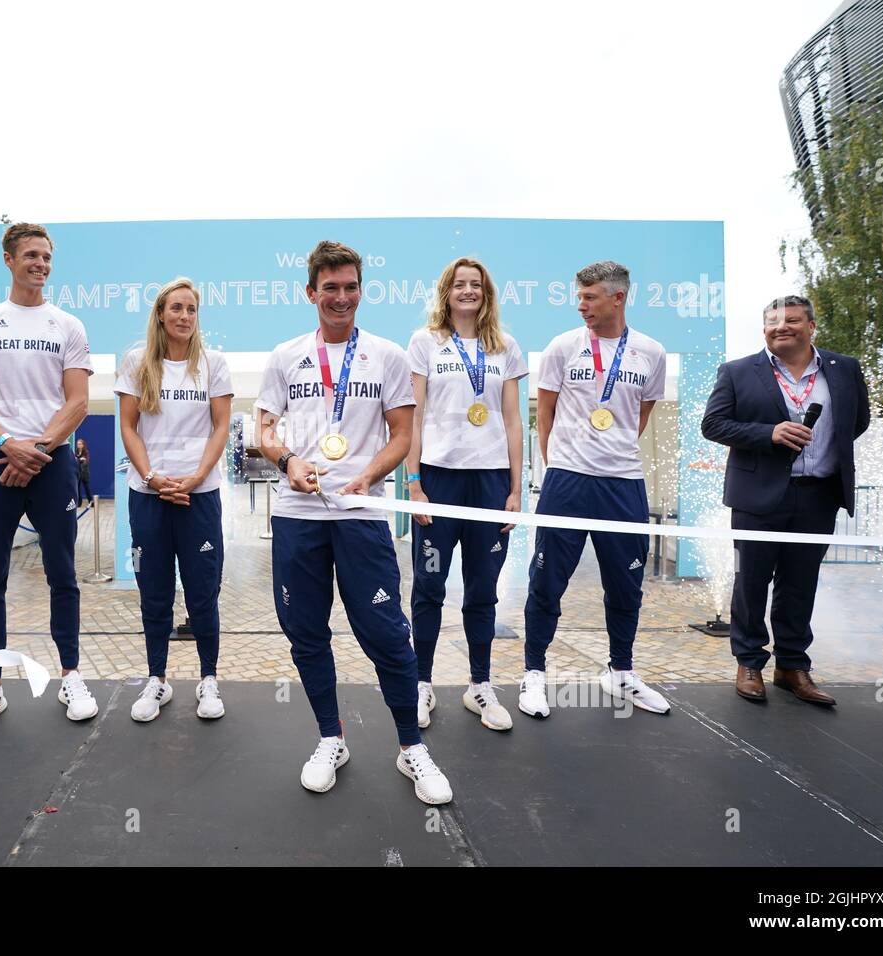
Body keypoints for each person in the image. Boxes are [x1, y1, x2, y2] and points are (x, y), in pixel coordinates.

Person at [256, 240, 453, 805]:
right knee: (307, 633)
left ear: (361, 290)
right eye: (330, 288)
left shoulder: (388, 355)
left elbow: (402, 436)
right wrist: (288, 461)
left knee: (388, 635)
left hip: (361, 515)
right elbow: (266, 429)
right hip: (298, 515)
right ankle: (329, 738)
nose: (341, 298)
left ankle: (411, 746)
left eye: (350, 288)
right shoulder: (286, 355)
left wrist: (367, 477)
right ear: (311, 292)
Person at [0, 223, 94, 735]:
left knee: (63, 574)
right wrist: (5, 442)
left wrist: (34, 449)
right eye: (31, 255)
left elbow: (76, 401)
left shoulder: (67, 325)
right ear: (9, 260)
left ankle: (71, 675)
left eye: (47, 256)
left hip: (49, 462)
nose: (41, 263)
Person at [702, 295, 869, 706]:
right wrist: (768, 434)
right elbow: (714, 424)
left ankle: (792, 667)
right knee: (752, 583)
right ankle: (749, 663)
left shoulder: (844, 369)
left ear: (811, 326)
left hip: (818, 495)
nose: (781, 327)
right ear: (764, 330)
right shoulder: (739, 371)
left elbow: (857, 421)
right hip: (757, 497)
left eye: (792, 320)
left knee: (800, 585)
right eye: (773, 322)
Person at [520, 260, 670, 718]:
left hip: (623, 483)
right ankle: (534, 674)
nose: (580, 305)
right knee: (547, 580)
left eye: (589, 297)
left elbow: (638, 418)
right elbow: (544, 414)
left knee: (626, 583)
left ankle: (620, 672)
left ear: (618, 298)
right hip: (566, 480)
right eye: (579, 296)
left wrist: (610, 452)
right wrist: (560, 463)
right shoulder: (563, 347)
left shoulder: (651, 352)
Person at [405, 257, 526, 731]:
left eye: (476, 284)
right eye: (460, 284)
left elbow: (514, 420)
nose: (469, 291)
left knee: (483, 590)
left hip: (491, 482)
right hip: (439, 480)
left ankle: (480, 685)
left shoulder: (506, 347)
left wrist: (516, 488)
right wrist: (414, 484)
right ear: (446, 291)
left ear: (487, 293)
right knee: (429, 588)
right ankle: (421, 683)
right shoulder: (425, 342)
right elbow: (413, 416)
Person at [115, 277, 232, 721]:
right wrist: (151, 476)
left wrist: (197, 476)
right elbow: (128, 427)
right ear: (161, 314)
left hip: (198, 495)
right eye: (177, 308)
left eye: (192, 309)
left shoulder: (213, 363)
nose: (185, 316)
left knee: (203, 592)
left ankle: (208, 681)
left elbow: (220, 426)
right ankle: (156, 681)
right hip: (150, 494)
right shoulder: (137, 362)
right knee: (154, 591)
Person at [75, 438, 92, 508]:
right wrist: (80, 459)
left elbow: (87, 461)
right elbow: (75, 460)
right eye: (77, 444)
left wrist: (81, 460)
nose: (78, 445)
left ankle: (91, 502)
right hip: (78, 473)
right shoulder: (76, 452)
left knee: (87, 488)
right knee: (78, 489)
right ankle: (79, 503)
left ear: (83, 445)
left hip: (85, 473)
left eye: (80, 444)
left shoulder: (86, 452)